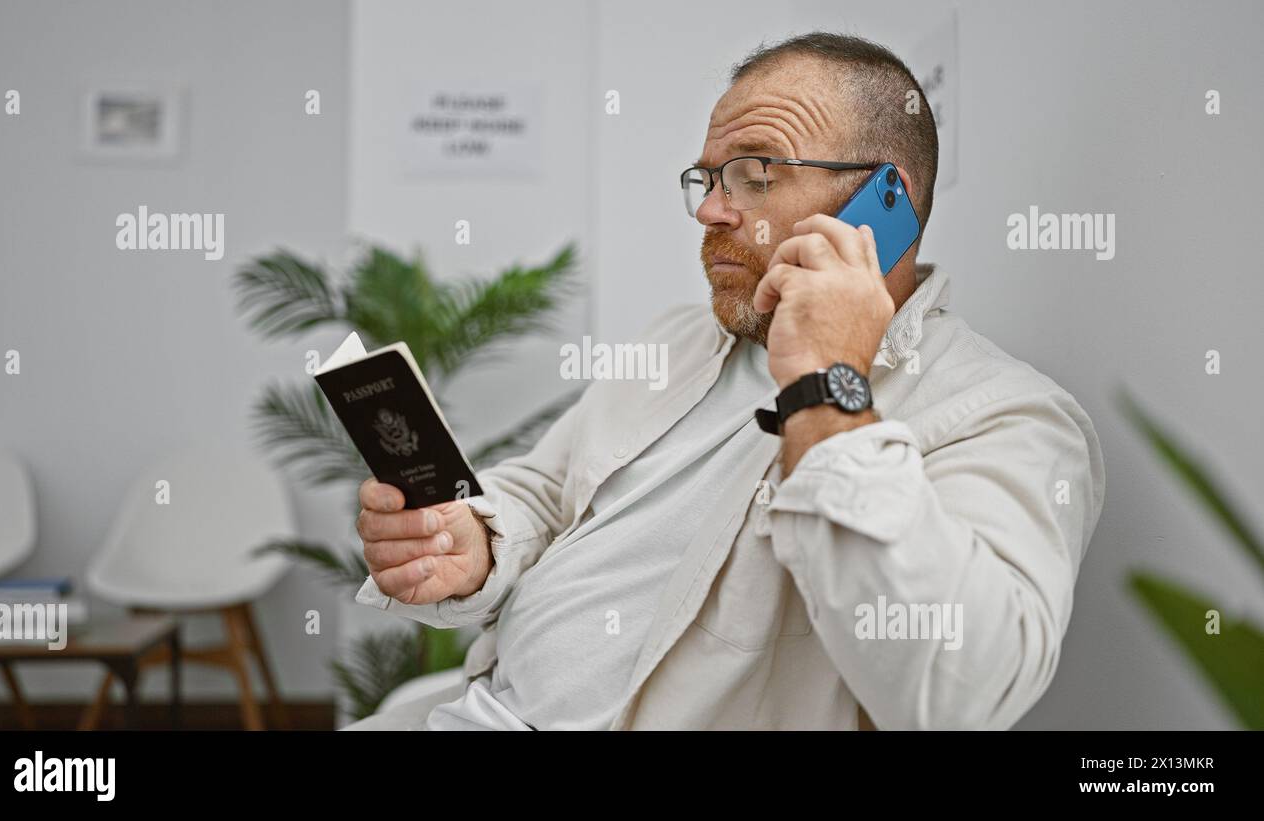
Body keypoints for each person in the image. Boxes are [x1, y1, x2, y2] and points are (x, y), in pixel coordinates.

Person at [344, 32, 1104, 731]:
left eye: (753, 174)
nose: (710, 210)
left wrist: (828, 383)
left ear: (884, 204)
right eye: (707, 178)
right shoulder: (681, 338)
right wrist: (475, 540)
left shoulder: (1008, 415)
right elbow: (549, 491)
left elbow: (965, 689)